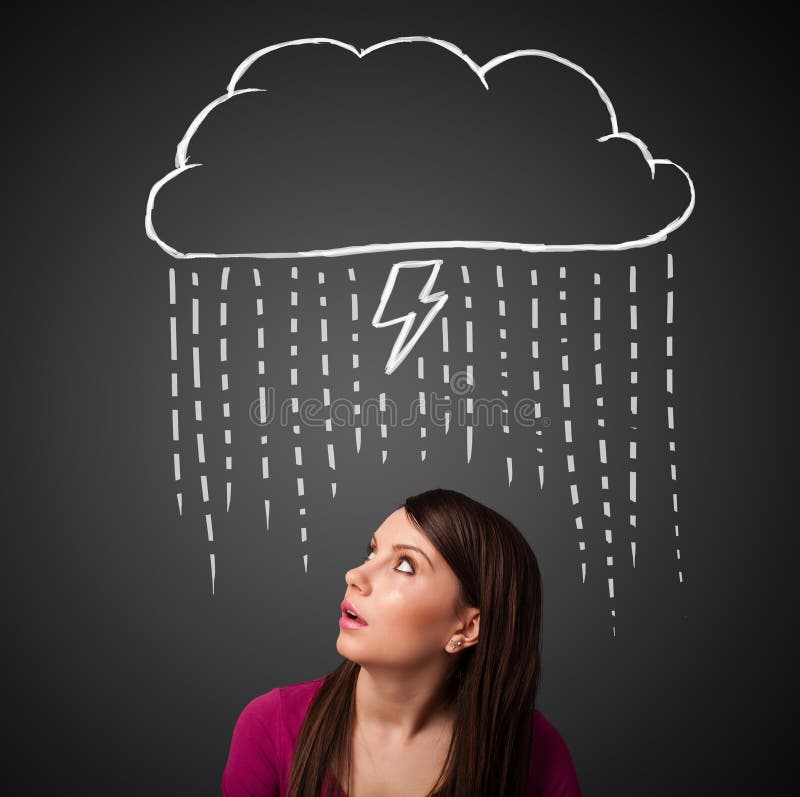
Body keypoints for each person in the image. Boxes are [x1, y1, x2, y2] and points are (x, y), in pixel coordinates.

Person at [222, 488, 583, 796]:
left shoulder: (534, 751)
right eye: (371, 552)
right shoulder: (271, 727)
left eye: (405, 566)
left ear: (468, 627)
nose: (355, 575)